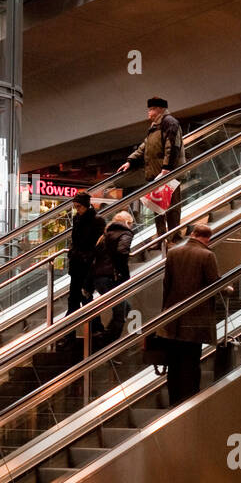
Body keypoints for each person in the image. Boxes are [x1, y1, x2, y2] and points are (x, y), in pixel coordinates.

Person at [159, 223, 229, 404]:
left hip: (173, 318)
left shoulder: (173, 253)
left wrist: (165, 312)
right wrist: (227, 289)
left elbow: (166, 285)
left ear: (192, 234)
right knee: (191, 361)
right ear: (207, 238)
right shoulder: (207, 255)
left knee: (174, 363)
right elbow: (214, 284)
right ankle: (190, 398)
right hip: (196, 320)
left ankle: (174, 399)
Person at [117, 97, 184, 245]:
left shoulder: (170, 123)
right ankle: (161, 238)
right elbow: (144, 147)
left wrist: (167, 168)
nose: (149, 112)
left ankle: (174, 237)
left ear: (159, 110)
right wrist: (130, 161)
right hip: (156, 175)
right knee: (157, 207)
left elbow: (172, 146)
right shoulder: (154, 126)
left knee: (172, 207)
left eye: (151, 109)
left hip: (168, 174)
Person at [89, 209, 135, 342]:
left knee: (125, 307)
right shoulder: (126, 233)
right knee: (121, 312)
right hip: (111, 278)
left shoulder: (105, 234)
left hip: (99, 278)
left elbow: (95, 258)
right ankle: (106, 344)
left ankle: (106, 337)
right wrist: (124, 274)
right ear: (128, 222)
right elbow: (122, 252)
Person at [65, 192, 105, 326]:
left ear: (86, 206)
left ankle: (95, 329)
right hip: (76, 265)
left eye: (79, 206)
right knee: (74, 299)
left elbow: (99, 244)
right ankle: (71, 333)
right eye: (75, 207)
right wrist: (72, 252)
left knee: (84, 297)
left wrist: (88, 256)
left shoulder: (96, 220)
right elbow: (75, 239)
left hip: (88, 266)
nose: (77, 209)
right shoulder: (77, 218)